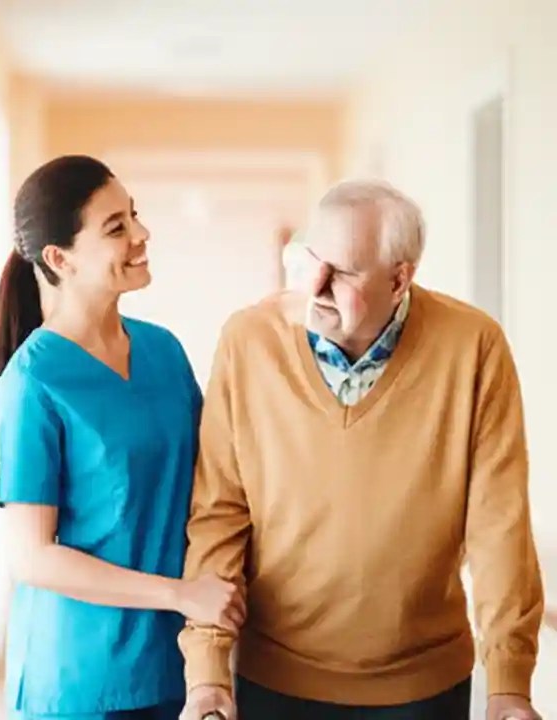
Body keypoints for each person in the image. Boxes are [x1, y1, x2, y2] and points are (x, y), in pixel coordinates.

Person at [179, 180, 544, 720]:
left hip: (423, 685)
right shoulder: (248, 341)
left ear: (400, 279)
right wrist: (208, 670)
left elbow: (498, 526)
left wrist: (509, 684)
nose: (317, 285)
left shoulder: (473, 347)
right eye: (313, 261)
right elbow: (220, 513)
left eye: (344, 271)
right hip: (275, 677)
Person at [0, 155, 245, 720]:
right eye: (116, 227)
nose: (141, 234)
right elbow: (33, 557)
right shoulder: (32, 382)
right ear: (60, 259)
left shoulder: (162, 351)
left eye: (134, 216)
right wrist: (179, 593)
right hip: (80, 680)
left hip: (173, 661)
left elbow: (212, 476)